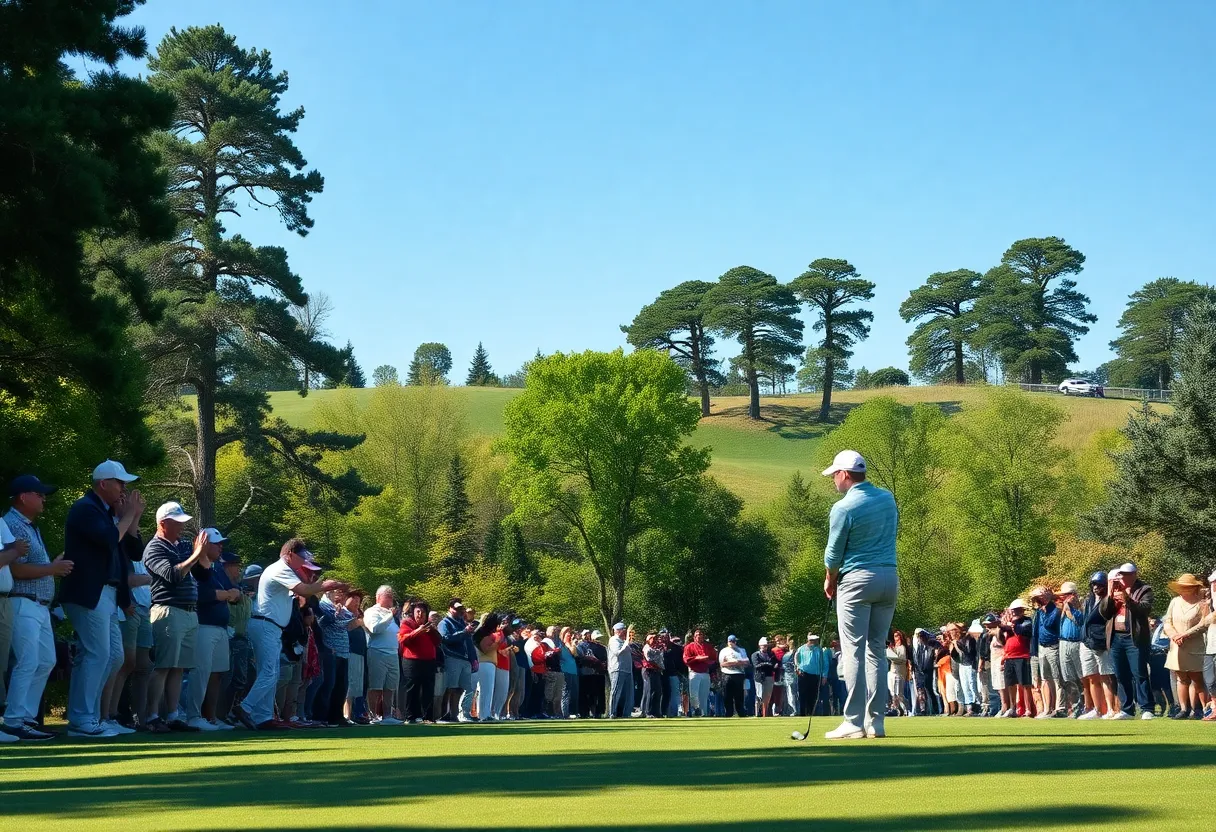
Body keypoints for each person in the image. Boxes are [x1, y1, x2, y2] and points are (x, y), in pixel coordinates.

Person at [61, 460, 143, 738]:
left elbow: (133, 552)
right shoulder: (85, 509)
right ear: (103, 484)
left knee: (110, 656)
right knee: (97, 654)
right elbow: (109, 539)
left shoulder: (106, 512)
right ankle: (83, 719)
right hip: (88, 592)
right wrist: (126, 516)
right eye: (120, 483)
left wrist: (131, 519)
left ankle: (90, 716)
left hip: (106, 594)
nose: (124, 489)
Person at [820, 449, 899, 740]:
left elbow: (833, 553)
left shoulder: (843, 508)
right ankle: (875, 723)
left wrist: (830, 580)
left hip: (856, 579)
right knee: (876, 650)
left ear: (844, 474)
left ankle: (853, 721)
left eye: (834, 476)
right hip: (889, 577)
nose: (833, 481)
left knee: (853, 649)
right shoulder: (888, 498)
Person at [238, 538, 347, 731]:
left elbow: (303, 593)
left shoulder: (283, 570)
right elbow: (304, 590)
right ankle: (245, 707)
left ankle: (263, 717)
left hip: (270, 626)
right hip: (266, 625)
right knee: (270, 672)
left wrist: (313, 582)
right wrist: (324, 585)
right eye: (302, 556)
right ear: (290, 555)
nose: (304, 561)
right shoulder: (280, 569)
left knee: (270, 672)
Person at [3, 475, 66, 741]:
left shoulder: (29, 525)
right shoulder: (13, 524)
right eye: (38, 494)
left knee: (46, 661)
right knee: (27, 661)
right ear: (23, 497)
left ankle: (26, 717)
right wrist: (52, 568)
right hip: (22, 601)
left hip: (38, 606)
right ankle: (14, 720)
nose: (43, 498)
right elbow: (15, 569)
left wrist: (51, 566)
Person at [142, 504, 212, 734]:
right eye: (177, 522)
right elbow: (172, 575)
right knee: (164, 665)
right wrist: (195, 555)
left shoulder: (181, 545)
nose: (182, 526)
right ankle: (152, 716)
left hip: (189, 613)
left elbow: (203, 575)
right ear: (163, 523)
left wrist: (201, 556)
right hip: (168, 611)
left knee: (179, 667)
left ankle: (172, 715)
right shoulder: (153, 548)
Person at [185, 530, 239, 732]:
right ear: (203, 544)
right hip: (202, 625)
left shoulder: (217, 570)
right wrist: (225, 594)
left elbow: (235, 594)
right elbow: (201, 594)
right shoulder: (195, 567)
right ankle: (193, 715)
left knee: (217, 673)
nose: (220, 546)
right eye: (216, 543)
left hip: (220, 628)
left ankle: (211, 717)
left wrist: (225, 594)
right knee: (201, 672)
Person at [1098, 562, 1155, 719]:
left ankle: (1147, 708)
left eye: (1126, 574)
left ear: (1134, 574)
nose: (1122, 577)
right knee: (1121, 675)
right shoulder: (1115, 589)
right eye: (1121, 574)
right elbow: (1104, 613)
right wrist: (1110, 594)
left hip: (1134, 638)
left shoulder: (1144, 590)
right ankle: (1127, 709)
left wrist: (1127, 599)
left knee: (1139, 673)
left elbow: (1144, 609)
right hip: (1116, 637)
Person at [1162, 574, 1211, 720]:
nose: (1184, 589)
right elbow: (1167, 622)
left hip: (1194, 644)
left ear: (1194, 588)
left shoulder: (1203, 604)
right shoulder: (1175, 602)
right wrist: (1174, 635)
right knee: (1181, 677)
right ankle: (1183, 709)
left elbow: (1204, 624)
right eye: (1182, 587)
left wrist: (1185, 634)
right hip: (1176, 645)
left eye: (1187, 587)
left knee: (1196, 677)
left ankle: (1202, 709)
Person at [1079, 571, 1118, 719]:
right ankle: (1097, 710)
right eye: (1094, 584)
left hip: (1101, 642)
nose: (1096, 587)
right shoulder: (1089, 600)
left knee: (1106, 676)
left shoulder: (1109, 600)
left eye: (1100, 584)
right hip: (1087, 641)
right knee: (1091, 677)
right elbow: (1084, 621)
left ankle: (1111, 709)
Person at [362, 585, 401, 725]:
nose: (391, 597)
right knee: (375, 686)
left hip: (393, 654)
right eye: (388, 595)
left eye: (392, 595)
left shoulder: (392, 615)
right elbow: (374, 628)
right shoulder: (372, 611)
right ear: (378, 597)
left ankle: (387, 715)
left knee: (390, 687)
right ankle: (372, 715)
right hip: (377, 652)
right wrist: (390, 616)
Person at [437, 598, 476, 723]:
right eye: (456, 609)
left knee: (464, 689)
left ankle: (459, 714)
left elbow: (469, 642)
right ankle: (446, 714)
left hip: (465, 660)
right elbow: (445, 638)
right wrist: (463, 632)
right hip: (452, 657)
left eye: (460, 609)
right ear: (450, 608)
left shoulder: (462, 623)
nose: (459, 611)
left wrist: (473, 658)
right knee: (451, 688)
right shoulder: (444, 623)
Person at [1028, 585, 1063, 718]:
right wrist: (1034, 651)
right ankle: (1047, 708)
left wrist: (1044, 608)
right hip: (1042, 647)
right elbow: (1035, 632)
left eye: (1040, 598)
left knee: (1056, 678)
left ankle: (1059, 707)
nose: (1038, 601)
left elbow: (1049, 623)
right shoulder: (1038, 612)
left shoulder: (1055, 610)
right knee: (1045, 679)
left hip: (1053, 646)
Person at [998, 599, 1034, 717]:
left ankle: (1028, 709)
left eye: (1017, 610)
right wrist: (1001, 626)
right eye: (1013, 610)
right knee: (1010, 683)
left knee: (1025, 683)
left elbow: (1022, 631)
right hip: (1009, 656)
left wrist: (1012, 624)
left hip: (1022, 655)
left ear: (1022, 610)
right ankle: (1013, 708)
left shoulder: (1027, 621)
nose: (1015, 612)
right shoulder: (1010, 623)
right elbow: (1001, 639)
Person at [1057, 581, 1085, 718]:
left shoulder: (1081, 606)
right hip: (1063, 642)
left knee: (1081, 676)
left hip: (1076, 643)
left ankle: (1085, 706)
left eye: (1066, 595)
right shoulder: (1062, 607)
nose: (1064, 598)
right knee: (1068, 678)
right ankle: (1074, 707)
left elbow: (1081, 621)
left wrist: (1071, 610)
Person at [794, 633, 829, 716]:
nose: (815, 642)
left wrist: (824, 675)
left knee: (813, 695)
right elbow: (796, 659)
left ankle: (812, 713)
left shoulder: (820, 650)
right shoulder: (801, 649)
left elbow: (825, 663)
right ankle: (802, 713)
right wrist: (797, 668)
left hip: (815, 675)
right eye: (813, 640)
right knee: (802, 694)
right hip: (803, 674)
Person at [683, 628, 714, 717]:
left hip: (705, 672)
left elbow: (713, 658)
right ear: (694, 637)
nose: (699, 636)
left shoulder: (708, 646)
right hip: (694, 672)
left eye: (701, 634)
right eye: (697, 635)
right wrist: (697, 658)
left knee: (704, 695)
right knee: (694, 694)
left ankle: (703, 713)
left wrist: (707, 661)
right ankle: (695, 710)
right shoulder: (689, 646)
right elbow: (686, 659)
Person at [607, 622, 635, 718]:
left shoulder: (623, 641)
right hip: (617, 669)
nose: (624, 632)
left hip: (627, 669)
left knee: (628, 693)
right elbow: (617, 652)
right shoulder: (614, 640)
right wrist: (626, 641)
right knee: (615, 691)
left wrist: (628, 642)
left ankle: (626, 713)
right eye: (623, 630)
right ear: (617, 631)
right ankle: (612, 712)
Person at [718, 634, 749, 717]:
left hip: (739, 674)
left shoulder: (741, 650)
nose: (732, 643)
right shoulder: (724, 651)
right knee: (727, 694)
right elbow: (722, 663)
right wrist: (736, 662)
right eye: (730, 641)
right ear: (728, 642)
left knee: (739, 695)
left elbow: (746, 662)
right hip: (727, 674)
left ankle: (740, 712)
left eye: (734, 641)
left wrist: (733, 662)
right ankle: (729, 712)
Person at [750, 637, 777, 717]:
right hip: (759, 677)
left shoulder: (771, 654)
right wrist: (767, 664)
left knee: (767, 697)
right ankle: (757, 713)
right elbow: (756, 665)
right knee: (759, 695)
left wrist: (766, 664)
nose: (765, 647)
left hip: (769, 676)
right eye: (763, 646)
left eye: (766, 645)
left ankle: (765, 714)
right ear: (760, 646)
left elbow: (774, 664)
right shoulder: (755, 654)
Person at [887, 630, 910, 716]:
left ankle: (906, 708)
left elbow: (902, 660)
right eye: (894, 635)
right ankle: (897, 709)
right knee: (892, 693)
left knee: (899, 694)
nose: (895, 637)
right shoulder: (893, 647)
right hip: (892, 671)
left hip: (899, 672)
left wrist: (892, 657)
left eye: (897, 635)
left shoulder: (902, 647)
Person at [640, 631, 664, 718]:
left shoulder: (656, 648)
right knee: (651, 691)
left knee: (658, 691)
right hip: (649, 670)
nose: (654, 640)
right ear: (647, 640)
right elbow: (650, 660)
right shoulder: (647, 648)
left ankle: (656, 711)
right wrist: (659, 666)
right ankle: (649, 712)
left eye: (655, 638)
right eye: (652, 638)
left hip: (656, 671)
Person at [660, 629, 683, 717]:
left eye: (666, 636)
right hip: (661, 674)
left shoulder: (676, 648)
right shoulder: (658, 647)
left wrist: (679, 671)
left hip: (673, 673)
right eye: (662, 636)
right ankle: (663, 712)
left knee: (675, 694)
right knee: (663, 693)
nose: (664, 637)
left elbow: (680, 662)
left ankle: (674, 712)